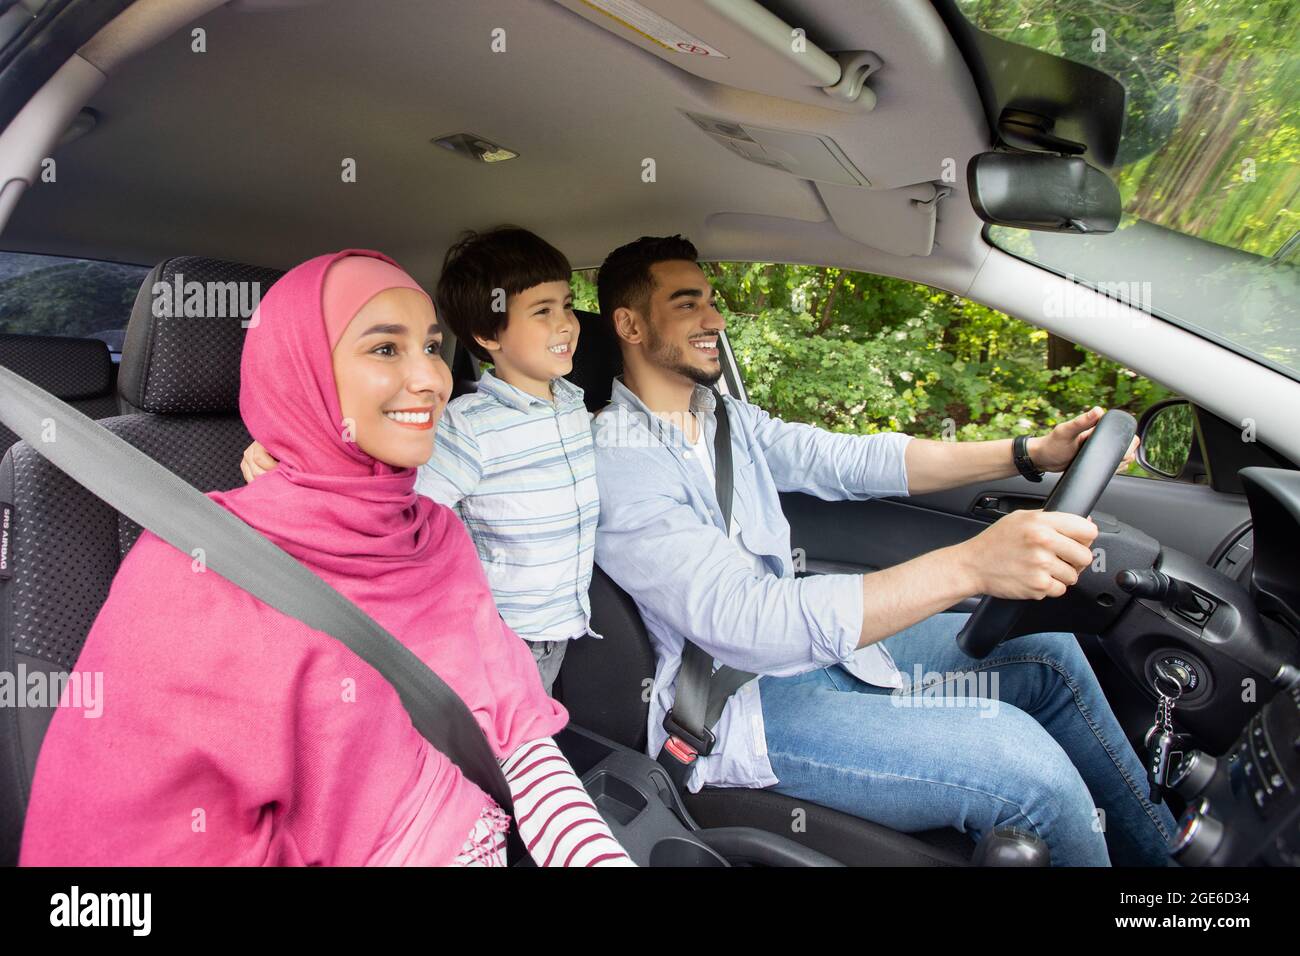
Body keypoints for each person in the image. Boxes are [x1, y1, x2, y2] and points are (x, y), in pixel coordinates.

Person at [21, 249, 632, 867]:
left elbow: (516, 734)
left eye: (430, 346)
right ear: (303, 370)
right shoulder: (192, 573)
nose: (432, 377)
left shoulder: (436, 535)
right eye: (386, 349)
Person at [590, 234, 1178, 866]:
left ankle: (1170, 865)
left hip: (811, 658)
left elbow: (851, 460)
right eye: (688, 305)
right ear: (628, 324)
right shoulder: (619, 459)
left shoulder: (723, 418)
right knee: (1029, 770)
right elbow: (745, 620)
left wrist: (1026, 453)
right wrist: (972, 563)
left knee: (1046, 653)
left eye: (711, 299)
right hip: (736, 705)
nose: (715, 319)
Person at [242, 228, 599, 695]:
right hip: (510, 632)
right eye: (542, 312)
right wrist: (297, 473)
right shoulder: (468, 427)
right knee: (511, 747)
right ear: (488, 334)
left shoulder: (573, 404)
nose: (566, 324)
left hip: (567, 620)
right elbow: (404, 511)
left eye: (567, 305)